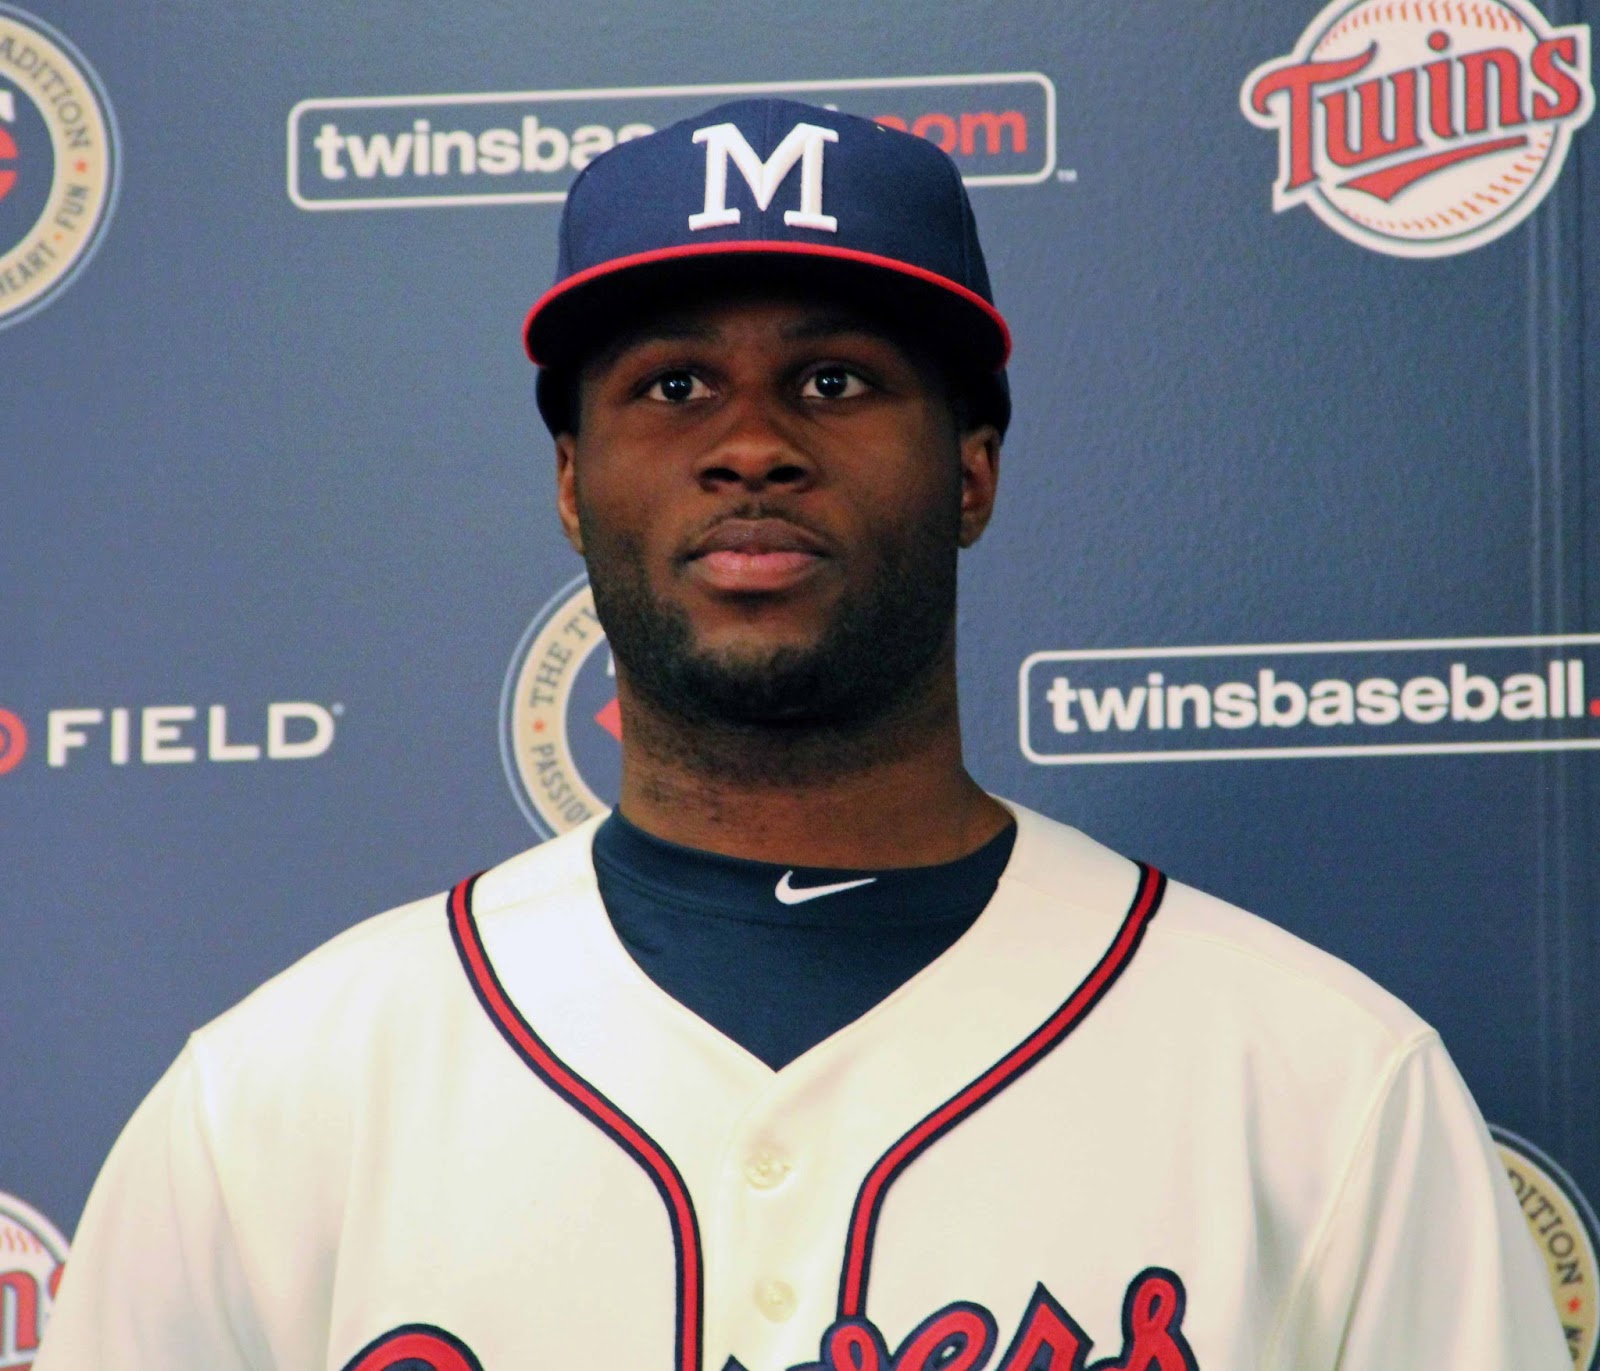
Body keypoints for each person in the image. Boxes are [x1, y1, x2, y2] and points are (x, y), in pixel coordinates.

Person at [37, 98, 1566, 1371]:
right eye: (673, 385)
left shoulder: (1319, 1090)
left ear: (971, 473)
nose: (752, 444)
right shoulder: (276, 1110)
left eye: (835, 382)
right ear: (573, 484)